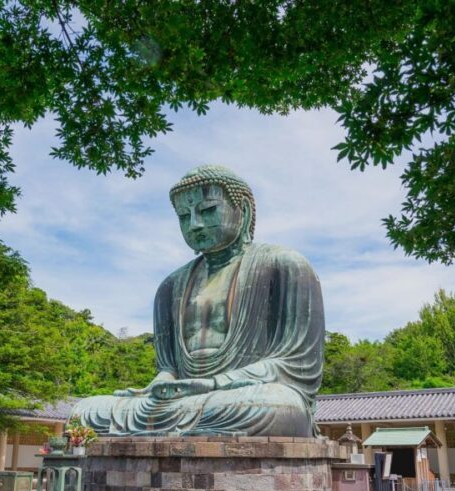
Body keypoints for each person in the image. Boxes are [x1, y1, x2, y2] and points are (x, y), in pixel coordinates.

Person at [71, 165, 324, 436]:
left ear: (244, 210)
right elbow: (170, 367)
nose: (195, 224)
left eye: (207, 210)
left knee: (280, 406)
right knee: (84, 411)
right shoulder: (171, 286)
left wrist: (214, 384)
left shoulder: (284, 266)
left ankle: (175, 427)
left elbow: (297, 366)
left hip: (245, 395)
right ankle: (178, 427)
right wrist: (161, 384)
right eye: (183, 216)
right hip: (186, 400)